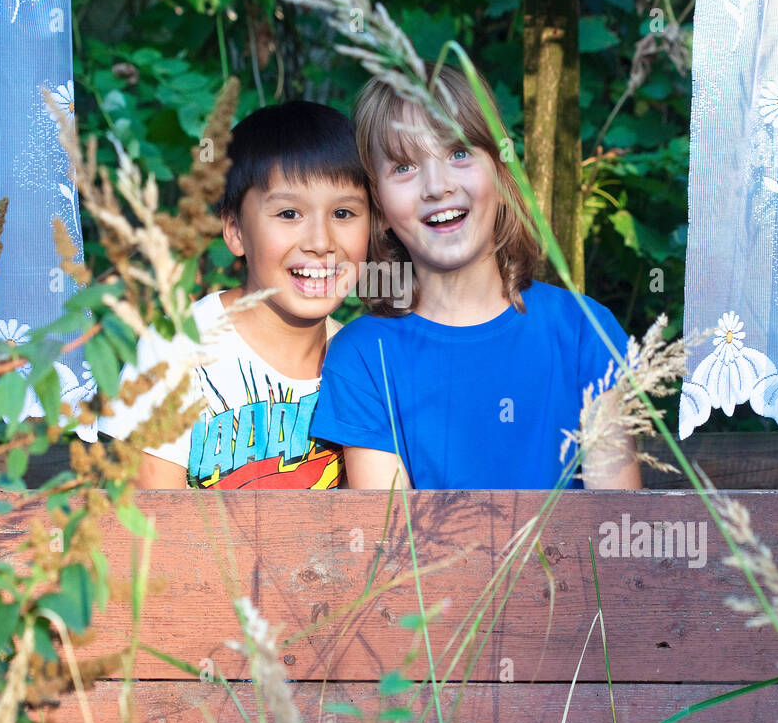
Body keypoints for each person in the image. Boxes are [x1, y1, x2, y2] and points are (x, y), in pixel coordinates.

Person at [310, 65, 643, 492]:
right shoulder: (361, 357)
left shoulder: (582, 331)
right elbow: (391, 545)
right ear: (379, 203)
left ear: (501, 169)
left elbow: (616, 529)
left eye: (459, 153)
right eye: (405, 167)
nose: (437, 186)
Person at [96, 101, 369, 489]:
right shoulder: (176, 348)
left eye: (343, 213)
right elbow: (153, 530)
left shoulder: (363, 362)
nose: (321, 242)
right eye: (289, 214)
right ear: (235, 230)